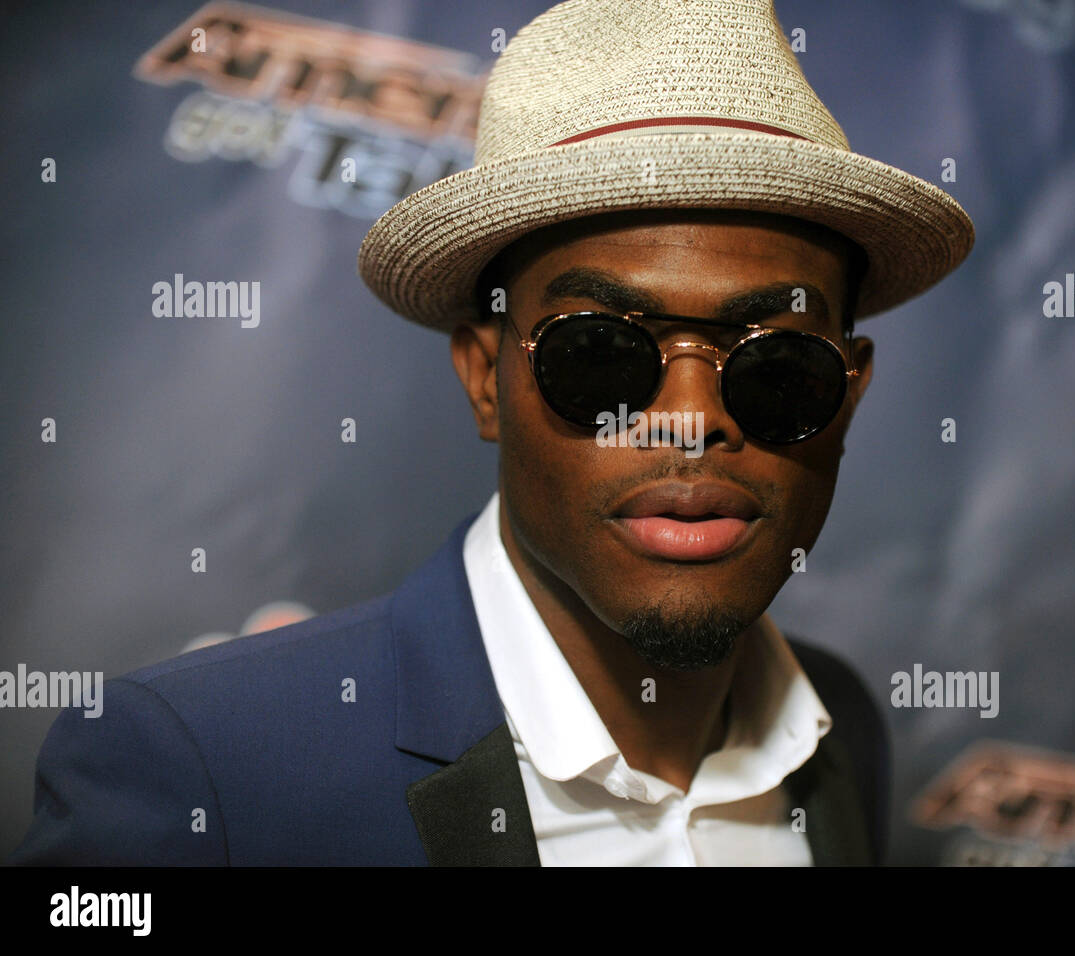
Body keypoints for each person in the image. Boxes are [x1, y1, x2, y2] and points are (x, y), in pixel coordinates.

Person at [10, 0, 971, 866]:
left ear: (848, 393)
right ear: (483, 378)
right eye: (600, 354)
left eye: (779, 367)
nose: (691, 418)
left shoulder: (838, 728)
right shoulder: (203, 771)